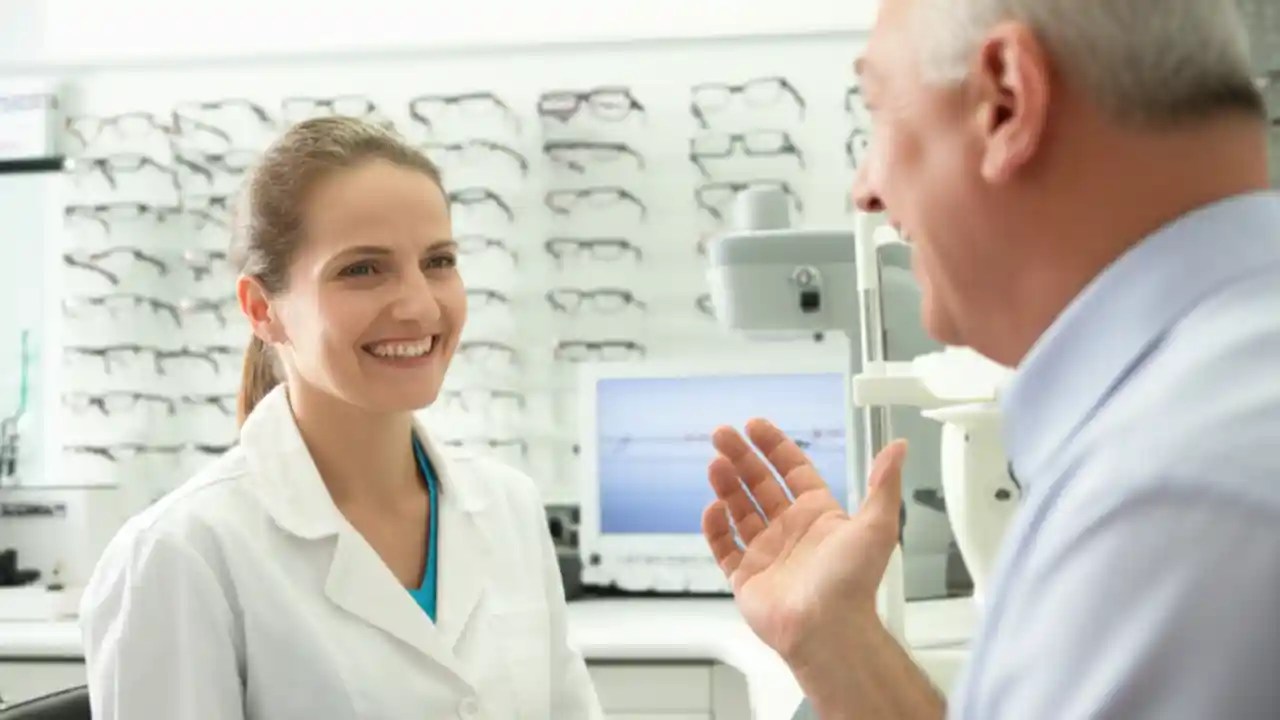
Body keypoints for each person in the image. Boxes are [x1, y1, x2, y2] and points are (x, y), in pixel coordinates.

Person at [701, 0, 1280, 718]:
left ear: (1007, 100)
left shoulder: (1169, 503)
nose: (866, 190)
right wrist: (834, 639)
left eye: (879, 112)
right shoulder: (1216, 397)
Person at [79, 117, 603, 719]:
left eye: (438, 261)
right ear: (262, 309)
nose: (419, 304)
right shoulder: (181, 555)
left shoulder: (508, 506)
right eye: (362, 269)